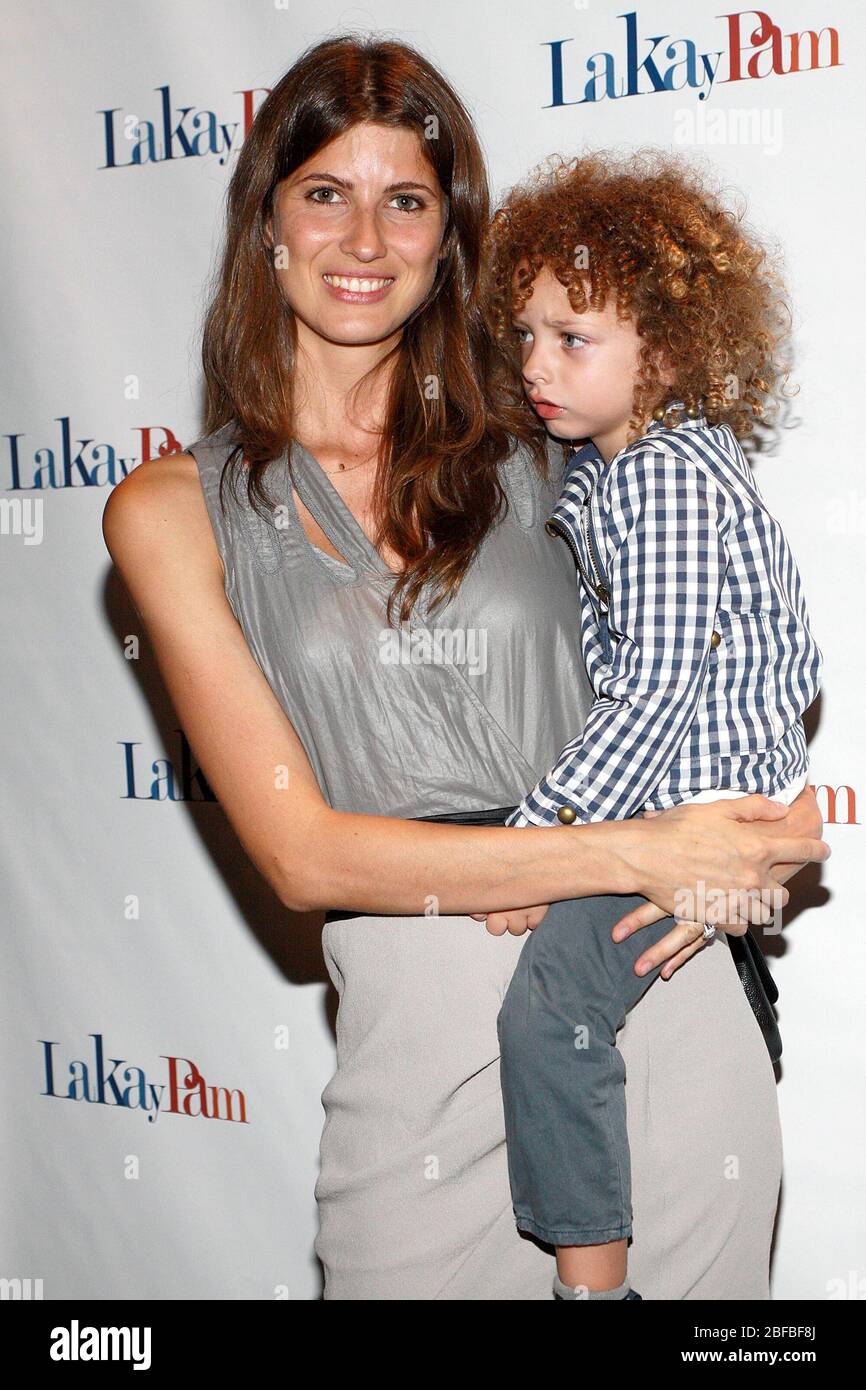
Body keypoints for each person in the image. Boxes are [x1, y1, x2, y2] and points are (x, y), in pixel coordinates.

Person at [101, 36, 828, 1299]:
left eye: (407, 201)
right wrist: (636, 849)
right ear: (265, 221)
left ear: (449, 237)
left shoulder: (557, 452)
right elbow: (304, 855)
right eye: (324, 191)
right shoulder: (171, 508)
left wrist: (762, 814)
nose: (364, 238)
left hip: (653, 994)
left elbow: (717, 642)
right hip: (419, 1031)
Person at [480, 149, 823, 1301]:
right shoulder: (615, 474)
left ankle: (592, 1290)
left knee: (548, 1016)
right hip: (682, 816)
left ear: (665, 352)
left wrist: (530, 841)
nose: (536, 363)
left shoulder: (664, 479)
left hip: (686, 811)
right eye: (523, 333)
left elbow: (657, 687)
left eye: (571, 337)